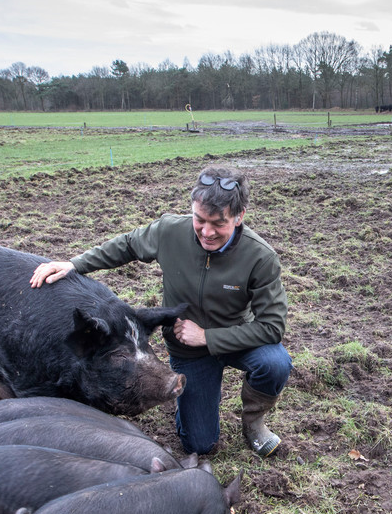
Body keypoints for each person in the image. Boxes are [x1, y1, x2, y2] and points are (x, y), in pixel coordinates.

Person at [30, 166, 292, 459]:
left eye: (218, 223)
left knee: (276, 362)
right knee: (200, 445)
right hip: (188, 351)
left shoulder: (260, 257)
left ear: (239, 216)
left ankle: (254, 423)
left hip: (236, 341)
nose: (207, 232)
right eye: (199, 219)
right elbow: (127, 245)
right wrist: (75, 264)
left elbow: (272, 327)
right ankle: (197, 401)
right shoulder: (170, 231)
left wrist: (208, 336)